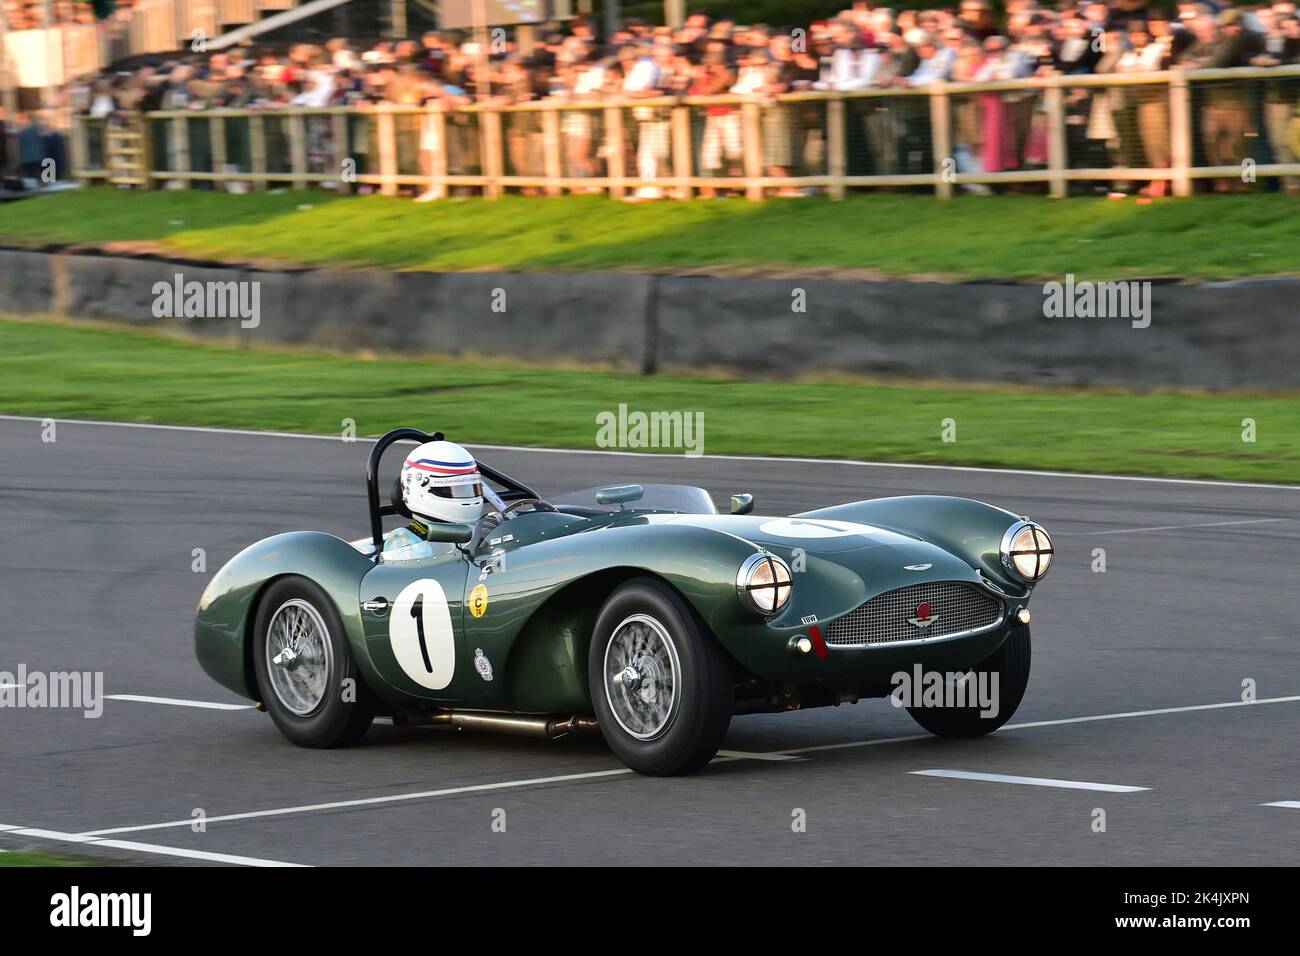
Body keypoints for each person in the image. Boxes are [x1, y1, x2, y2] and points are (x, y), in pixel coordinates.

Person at [386, 440, 487, 558]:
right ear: (419, 487)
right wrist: (473, 550)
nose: (465, 495)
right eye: (453, 489)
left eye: (468, 488)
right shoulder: (404, 541)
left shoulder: (478, 528)